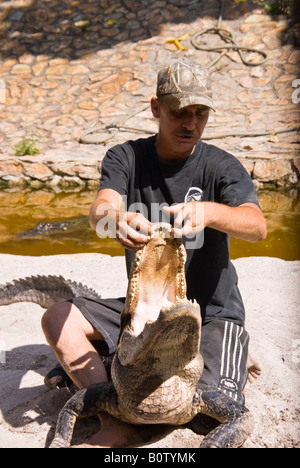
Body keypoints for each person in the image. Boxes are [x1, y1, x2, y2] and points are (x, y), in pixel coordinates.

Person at [42, 59, 267, 447]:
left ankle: (234, 354)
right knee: (57, 317)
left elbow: (257, 227)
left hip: (210, 315)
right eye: (180, 112)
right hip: (144, 312)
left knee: (209, 414)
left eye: (201, 113)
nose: (190, 124)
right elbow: (100, 210)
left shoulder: (221, 166)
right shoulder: (125, 157)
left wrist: (211, 212)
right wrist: (113, 220)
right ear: (155, 108)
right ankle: (114, 409)